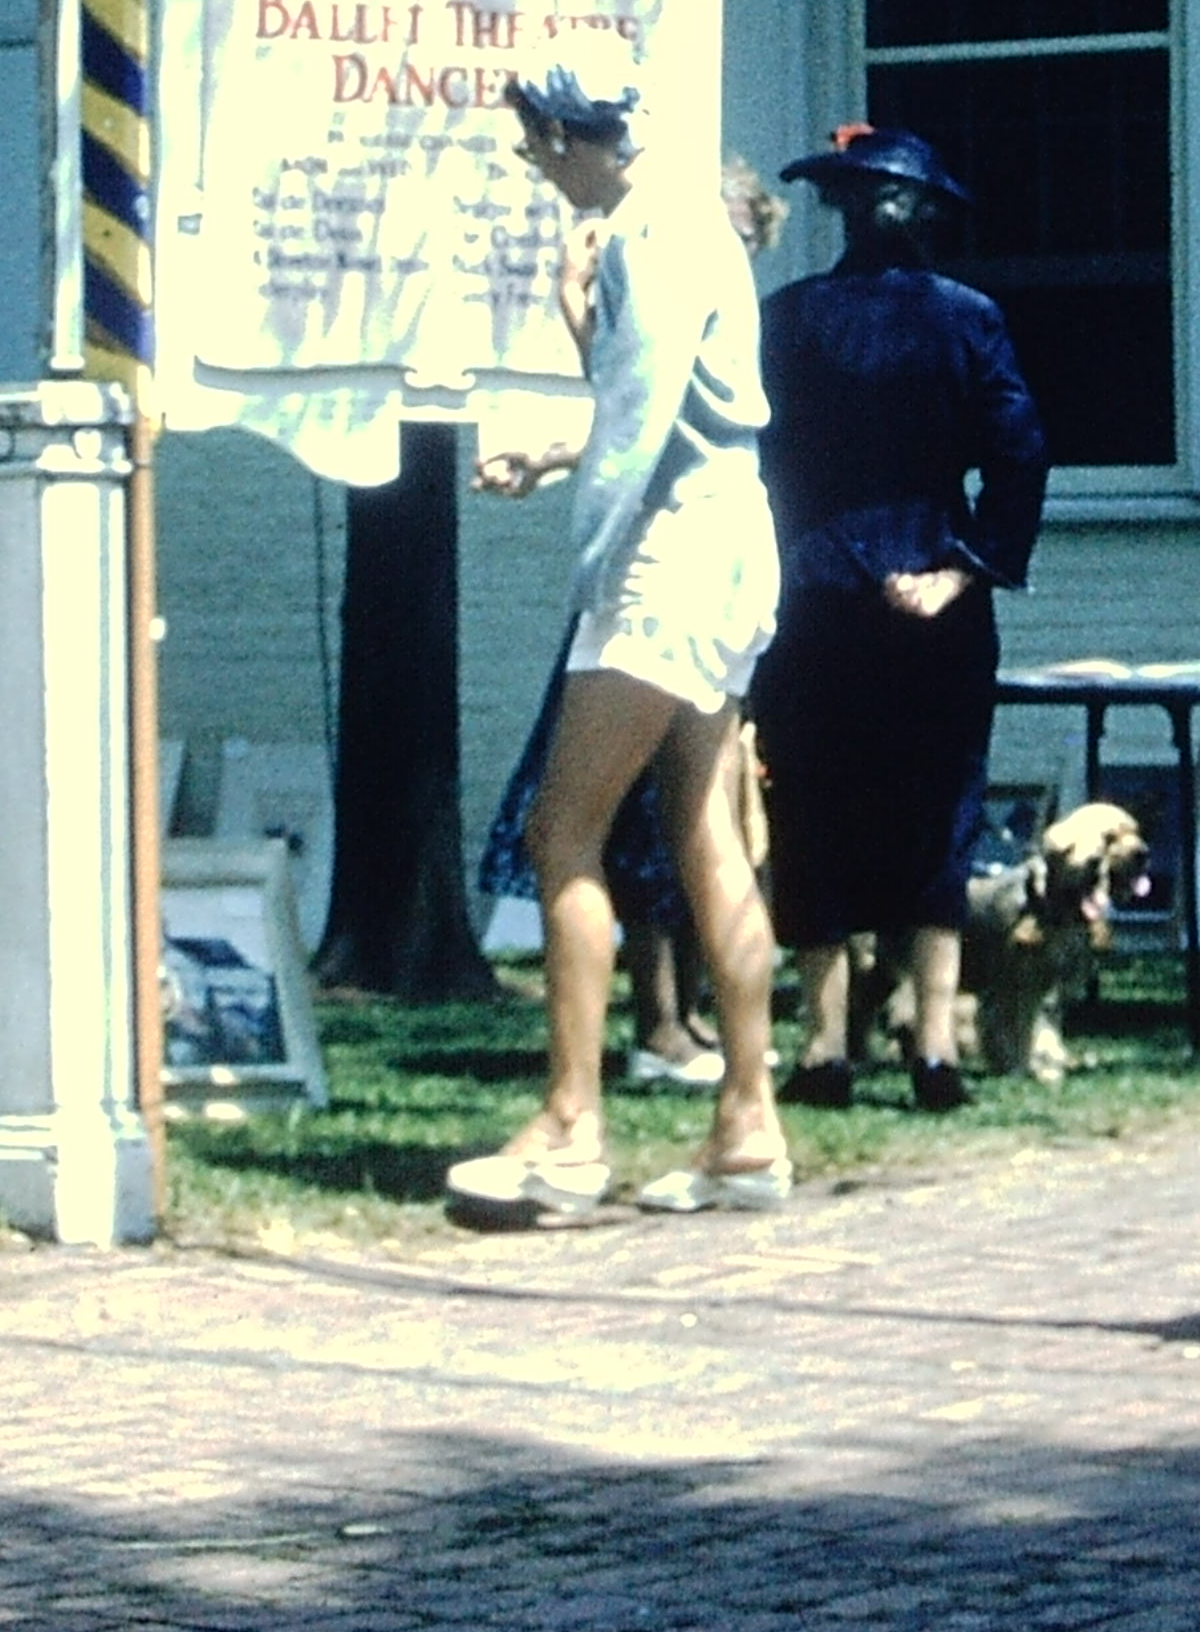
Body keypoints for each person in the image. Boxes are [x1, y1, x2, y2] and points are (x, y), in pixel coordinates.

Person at [445, 69, 793, 1220]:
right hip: (732, 537)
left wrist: (590, 579)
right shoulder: (683, 215)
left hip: (669, 558)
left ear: (559, 133)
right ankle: (747, 1127)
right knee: (705, 829)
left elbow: (640, 421)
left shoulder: (650, 229)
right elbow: (677, 394)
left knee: (564, 830)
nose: (533, 166)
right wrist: (557, 434)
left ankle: (569, 1128)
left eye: (531, 147)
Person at [747, 128, 1048, 1112]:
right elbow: (1019, 459)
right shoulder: (970, 320)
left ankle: (827, 1049)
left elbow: (759, 464)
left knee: (815, 812)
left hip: (816, 588)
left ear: (842, 209)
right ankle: (932, 1051)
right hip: (932, 594)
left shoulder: (785, 321)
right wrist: (962, 572)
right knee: (937, 814)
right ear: (928, 213)